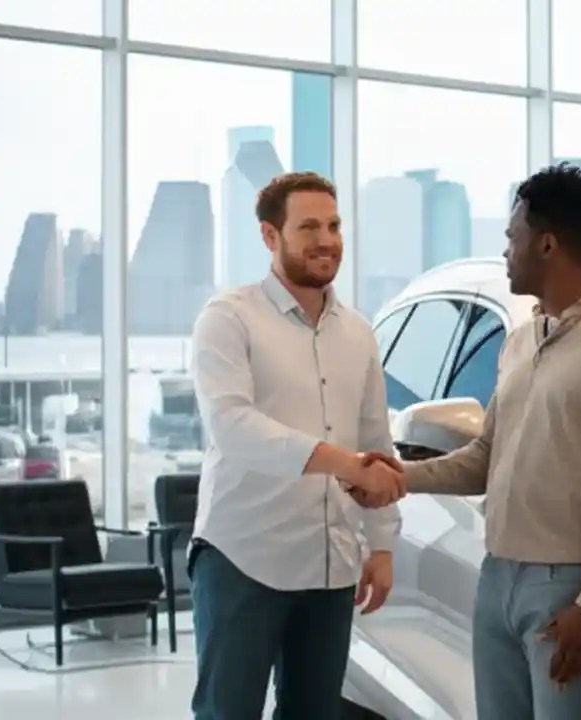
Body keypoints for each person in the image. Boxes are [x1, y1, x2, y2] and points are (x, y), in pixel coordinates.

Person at [361, 163, 581, 720]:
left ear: (546, 244)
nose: (506, 250)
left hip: (567, 587)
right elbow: (486, 458)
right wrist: (400, 475)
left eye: (513, 237)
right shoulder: (523, 339)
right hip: (497, 576)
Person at [188, 171, 408, 720]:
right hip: (243, 557)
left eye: (333, 225)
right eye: (308, 226)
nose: (326, 239)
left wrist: (381, 545)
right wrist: (345, 464)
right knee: (227, 712)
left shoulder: (358, 332)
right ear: (270, 236)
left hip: (330, 563)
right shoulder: (228, 318)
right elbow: (232, 426)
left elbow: (375, 438)